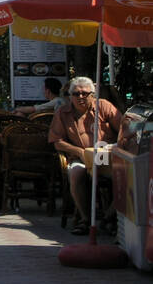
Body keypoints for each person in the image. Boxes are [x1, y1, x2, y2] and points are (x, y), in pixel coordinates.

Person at [49, 76, 125, 235]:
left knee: (125, 176)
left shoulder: (104, 106)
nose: (80, 97)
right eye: (76, 94)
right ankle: (85, 220)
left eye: (85, 93)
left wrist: (114, 147)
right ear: (70, 96)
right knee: (76, 173)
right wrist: (79, 152)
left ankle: (107, 217)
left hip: (105, 157)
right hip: (79, 157)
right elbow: (57, 141)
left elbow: (124, 131)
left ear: (93, 94)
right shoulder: (63, 112)